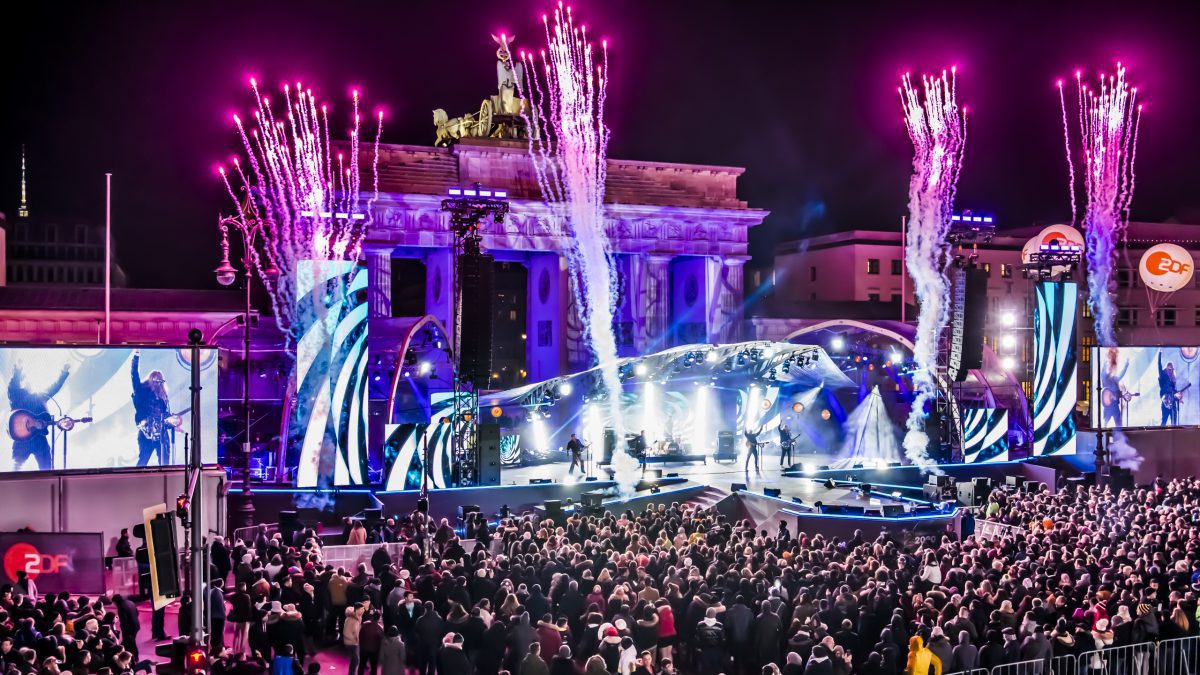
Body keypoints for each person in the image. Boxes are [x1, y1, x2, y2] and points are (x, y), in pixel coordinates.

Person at [7, 361, 70, 471]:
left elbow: (54, 388)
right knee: (15, 470)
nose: (28, 383)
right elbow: (12, 386)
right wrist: (17, 370)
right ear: (22, 381)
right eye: (25, 380)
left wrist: (64, 373)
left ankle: (47, 486)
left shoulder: (40, 396)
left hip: (39, 439)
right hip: (21, 441)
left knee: (46, 469)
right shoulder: (16, 395)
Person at [131, 349, 175, 466]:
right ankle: (137, 482)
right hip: (146, 432)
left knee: (165, 463)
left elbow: (165, 413)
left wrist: (172, 421)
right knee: (142, 462)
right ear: (150, 378)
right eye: (154, 378)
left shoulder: (163, 396)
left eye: (159, 379)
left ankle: (166, 483)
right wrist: (136, 357)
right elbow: (134, 375)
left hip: (162, 433)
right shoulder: (142, 391)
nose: (156, 381)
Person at [1159, 351, 1187, 426]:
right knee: (1163, 422)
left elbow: (1174, 392)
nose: (1170, 370)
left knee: (1174, 424)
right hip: (1165, 403)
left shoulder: (1173, 379)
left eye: (1171, 369)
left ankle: (1175, 436)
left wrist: (1179, 398)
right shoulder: (1163, 377)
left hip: (1173, 404)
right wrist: (1160, 353)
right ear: (1166, 368)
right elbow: (1159, 366)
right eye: (1169, 369)